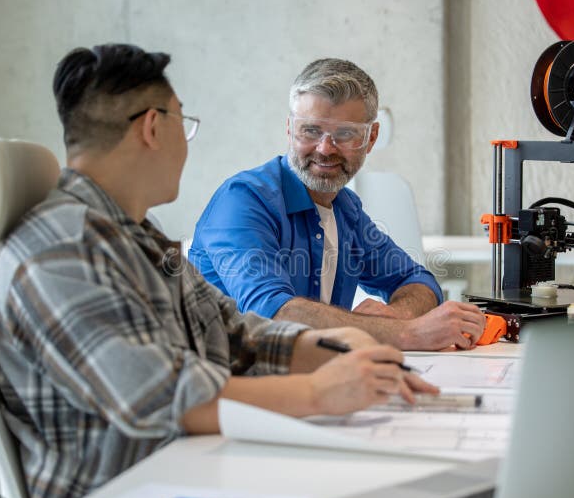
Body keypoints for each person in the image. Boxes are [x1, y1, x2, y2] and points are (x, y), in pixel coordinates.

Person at [0, 44, 436, 498]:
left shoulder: (133, 234)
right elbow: (161, 398)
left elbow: (232, 331)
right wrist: (321, 390)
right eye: (186, 124)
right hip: (131, 495)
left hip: (189, 465)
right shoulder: (63, 250)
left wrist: (335, 347)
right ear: (154, 128)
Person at [189, 58, 485, 351]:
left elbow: (416, 279)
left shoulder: (346, 210)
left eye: (345, 134)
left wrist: (397, 316)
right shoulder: (242, 200)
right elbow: (275, 313)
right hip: (233, 392)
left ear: (371, 138)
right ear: (290, 129)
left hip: (315, 384)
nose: (325, 149)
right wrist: (406, 333)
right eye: (311, 130)